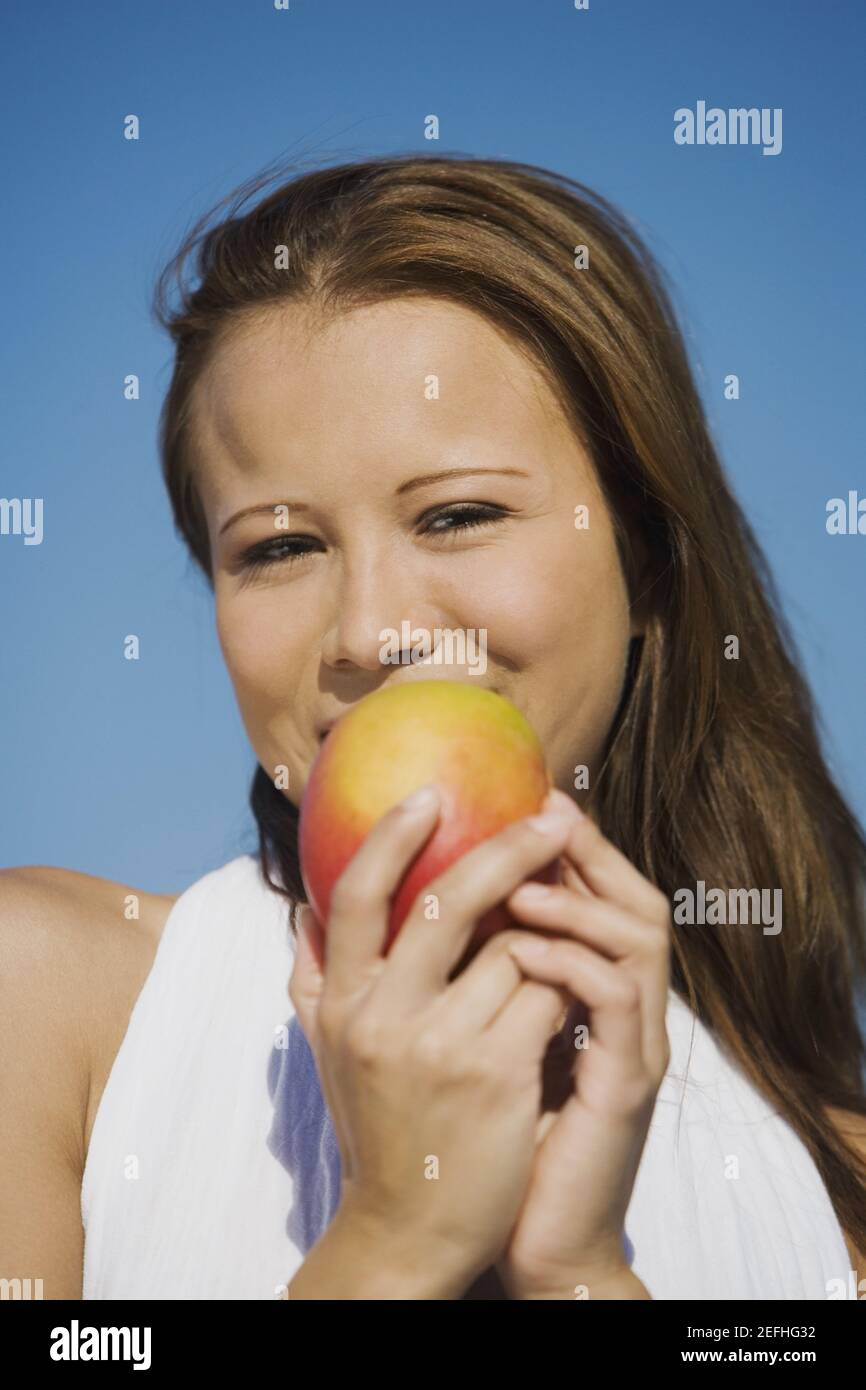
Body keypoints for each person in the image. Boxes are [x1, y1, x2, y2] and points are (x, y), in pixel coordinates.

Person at [2, 154, 865, 1301]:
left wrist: (576, 1272)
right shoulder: (44, 1008)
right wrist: (394, 1241)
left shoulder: (834, 1185)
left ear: (648, 562)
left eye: (457, 514)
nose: (369, 629)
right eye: (277, 546)